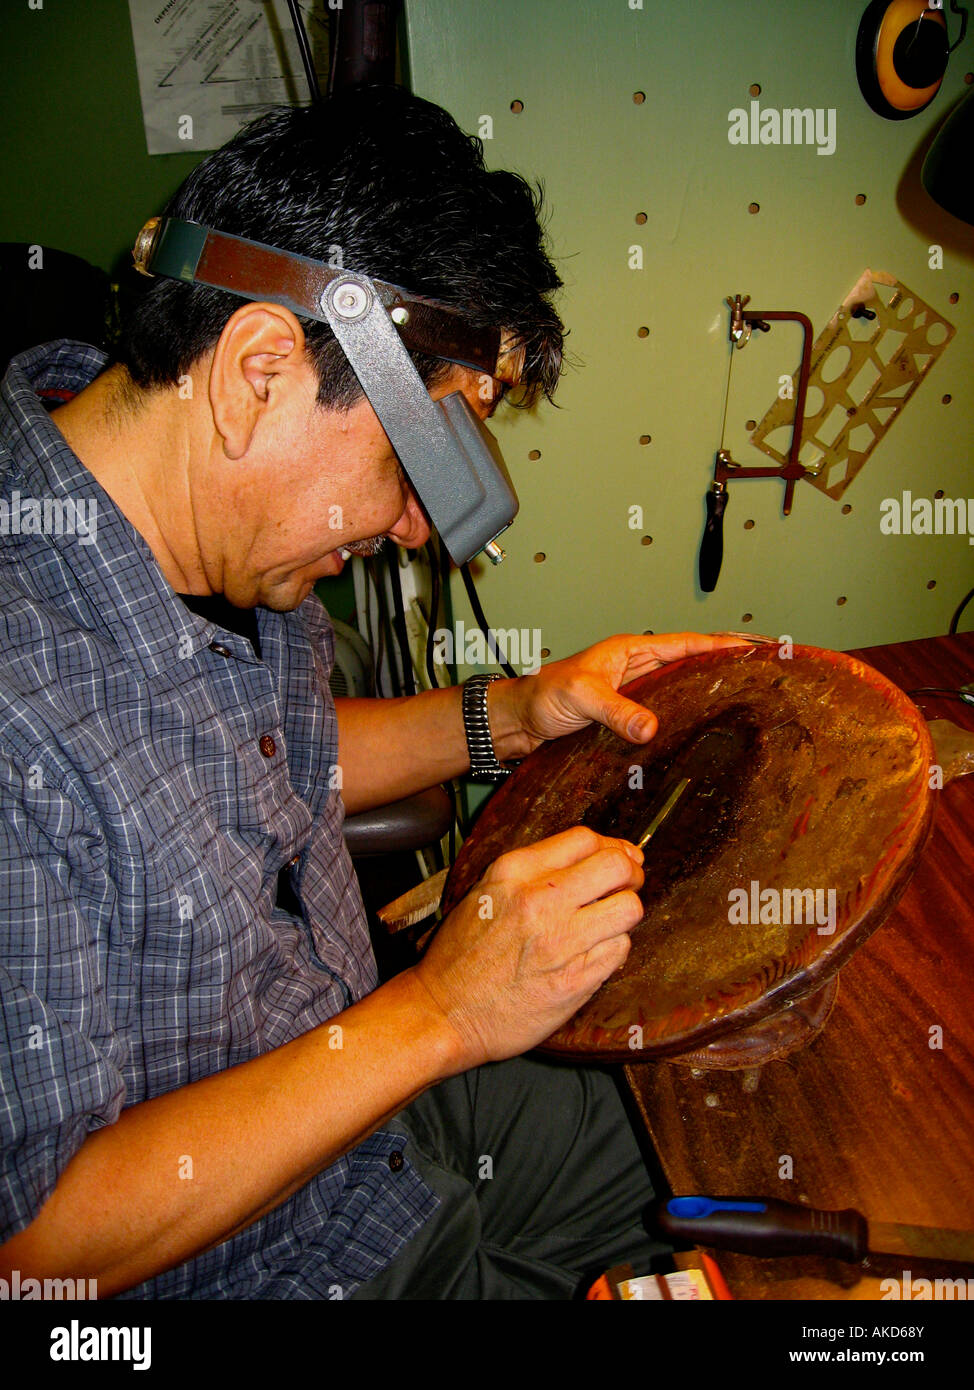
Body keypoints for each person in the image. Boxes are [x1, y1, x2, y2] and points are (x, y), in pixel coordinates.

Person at [0, 87, 733, 1299]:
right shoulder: (22, 695)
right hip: (248, 1256)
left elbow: (270, 756)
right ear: (258, 370)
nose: (409, 526)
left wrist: (517, 711)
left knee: (731, 1107)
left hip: (383, 1119)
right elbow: (35, 1248)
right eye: (411, 460)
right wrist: (436, 1014)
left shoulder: (222, 532)